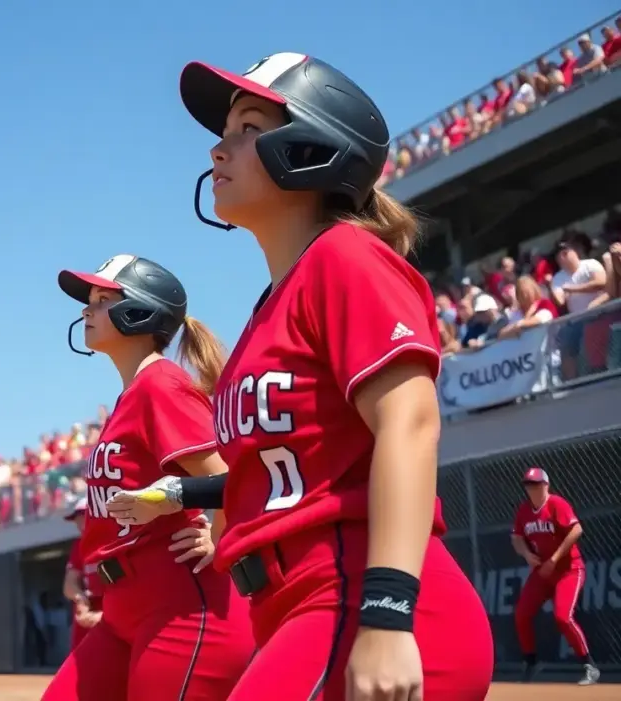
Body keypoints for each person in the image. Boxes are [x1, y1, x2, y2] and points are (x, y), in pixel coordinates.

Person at [107, 52, 494, 700]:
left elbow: (410, 420)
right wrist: (178, 495)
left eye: (249, 129)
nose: (218, 148)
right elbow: (296, 467)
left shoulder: (344, 256)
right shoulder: (268, 309)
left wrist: (388, 615)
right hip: (298, 605)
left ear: (311, 147)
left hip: (364, 599)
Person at [41, 254, 255, 701]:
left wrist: (218, 540)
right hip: (124, 609)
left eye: (101, 300)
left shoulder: (161, 384)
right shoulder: (132, 394)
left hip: (181, 607)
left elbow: (233, 479)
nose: (87, 309)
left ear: (136, 312)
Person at [511, 467, 598, 685]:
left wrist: (554, 559)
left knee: (562, 617)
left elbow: (576, 530)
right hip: (542, 573)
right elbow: (517, 538)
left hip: (569, 569)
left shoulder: (556, 504)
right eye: (529, 486)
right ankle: (530, 662)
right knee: (522, 614)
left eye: (537, 484)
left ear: (546, 485)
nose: (532, 489)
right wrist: (527, 554)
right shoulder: (524, 510)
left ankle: (589, 666)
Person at [61, 499, 104, 652]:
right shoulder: (79, 546)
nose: (79, 523)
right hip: (88, 611)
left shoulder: (114, 542)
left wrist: (104, 616)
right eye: (77, 518)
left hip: (113, 611)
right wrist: (80, 598)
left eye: (83, 516)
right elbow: (69, 584)